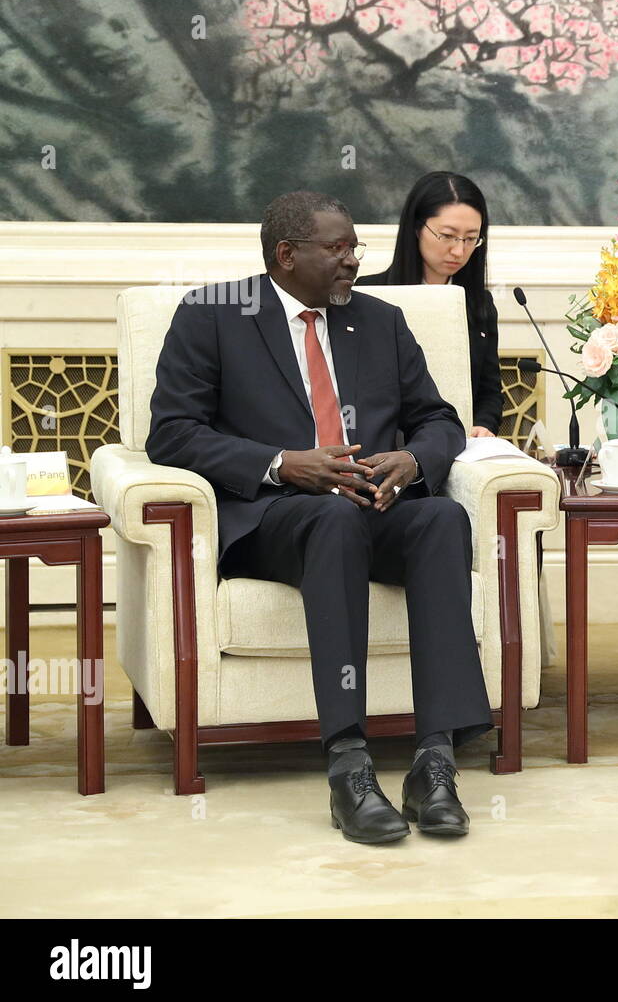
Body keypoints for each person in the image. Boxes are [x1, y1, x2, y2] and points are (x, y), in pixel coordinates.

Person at [146, 190, 492, 845]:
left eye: (354, 246)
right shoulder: (212, 315)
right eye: (335, 249)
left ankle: (434, 761)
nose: (352, 261)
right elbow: (172, 433)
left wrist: (412, 463)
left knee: (443, 519)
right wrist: (283, 463)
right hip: (278, 518)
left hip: (376, 506)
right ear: (285, 255)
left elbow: (439, 418)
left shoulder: (380, 321)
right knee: (329, 522)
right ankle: (348, 765)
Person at [357, 171, 503, 438]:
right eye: (447, 236)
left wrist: (484, 425)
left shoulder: (479, 303)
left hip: (461, 442)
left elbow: (490, 392)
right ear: (416, 227)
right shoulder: (368, 294)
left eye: (471, 239)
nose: (459, 251)